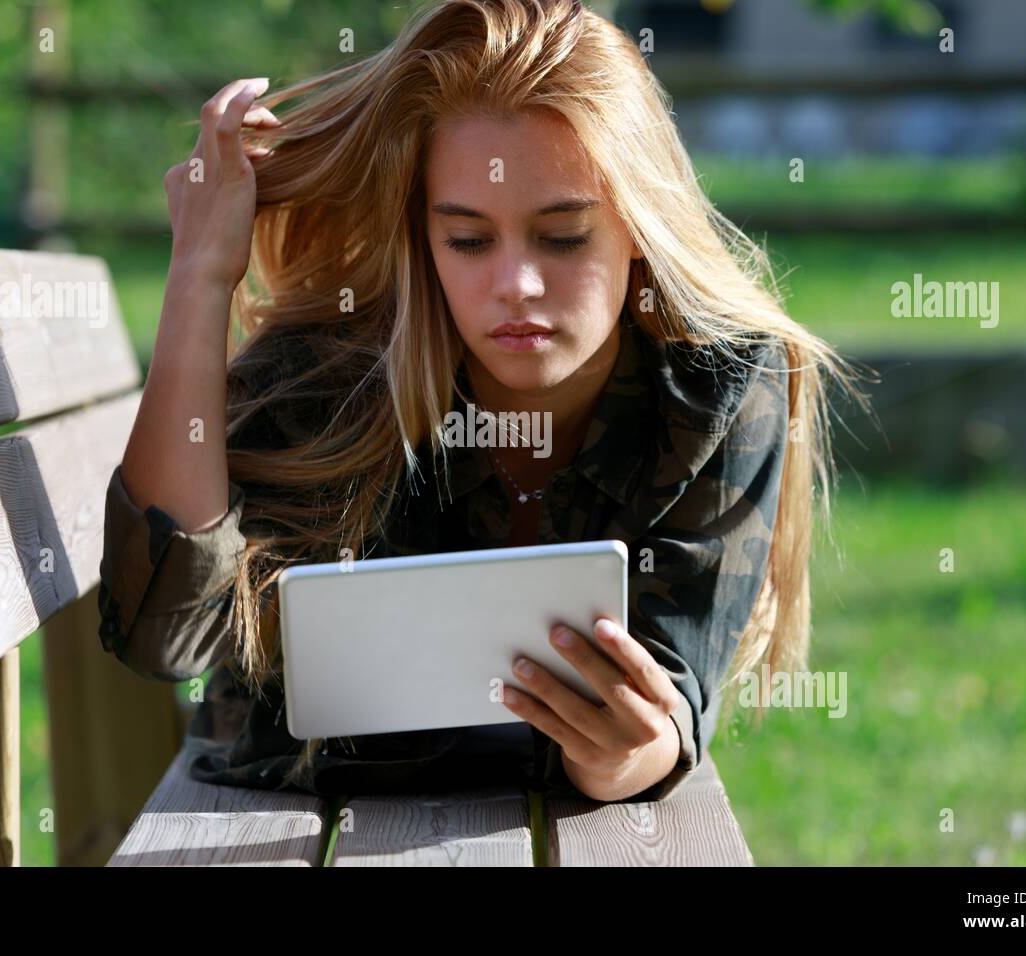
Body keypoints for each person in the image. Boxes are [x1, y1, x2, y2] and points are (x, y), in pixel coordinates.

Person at [97, 0, 851, 803]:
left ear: (639, 225)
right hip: (301, 813)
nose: (515, 287)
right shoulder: (336, 367)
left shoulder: (717, 386)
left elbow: (671, 698)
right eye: (468, 239)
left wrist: (627, 752)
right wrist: (200, 275)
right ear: (421, 232)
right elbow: (164, 636)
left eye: (563, 236)